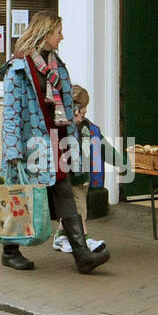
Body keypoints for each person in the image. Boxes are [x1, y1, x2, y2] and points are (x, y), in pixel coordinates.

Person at [0, 12, 109, 274]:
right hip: (30, 143)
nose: (62, 37)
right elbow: (11, 113)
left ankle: (82, 255)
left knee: (64, 192)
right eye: (58, 32)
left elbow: (66, 104)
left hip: (56, 139)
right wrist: (13, 151)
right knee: (21, 195)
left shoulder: (56, 64)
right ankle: (9, 251)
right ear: (46, 33)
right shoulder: (18, 68)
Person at [51, 85, 106, 255]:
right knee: (78, 207)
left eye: (83, 113)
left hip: (83, 176)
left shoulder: (87, 127)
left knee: (73, 208)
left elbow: (104, 146)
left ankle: (60, 237)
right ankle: (84, 238)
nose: (81, 117)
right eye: (80, 113)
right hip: (69, 175)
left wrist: (124, 161)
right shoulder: (62, 127)